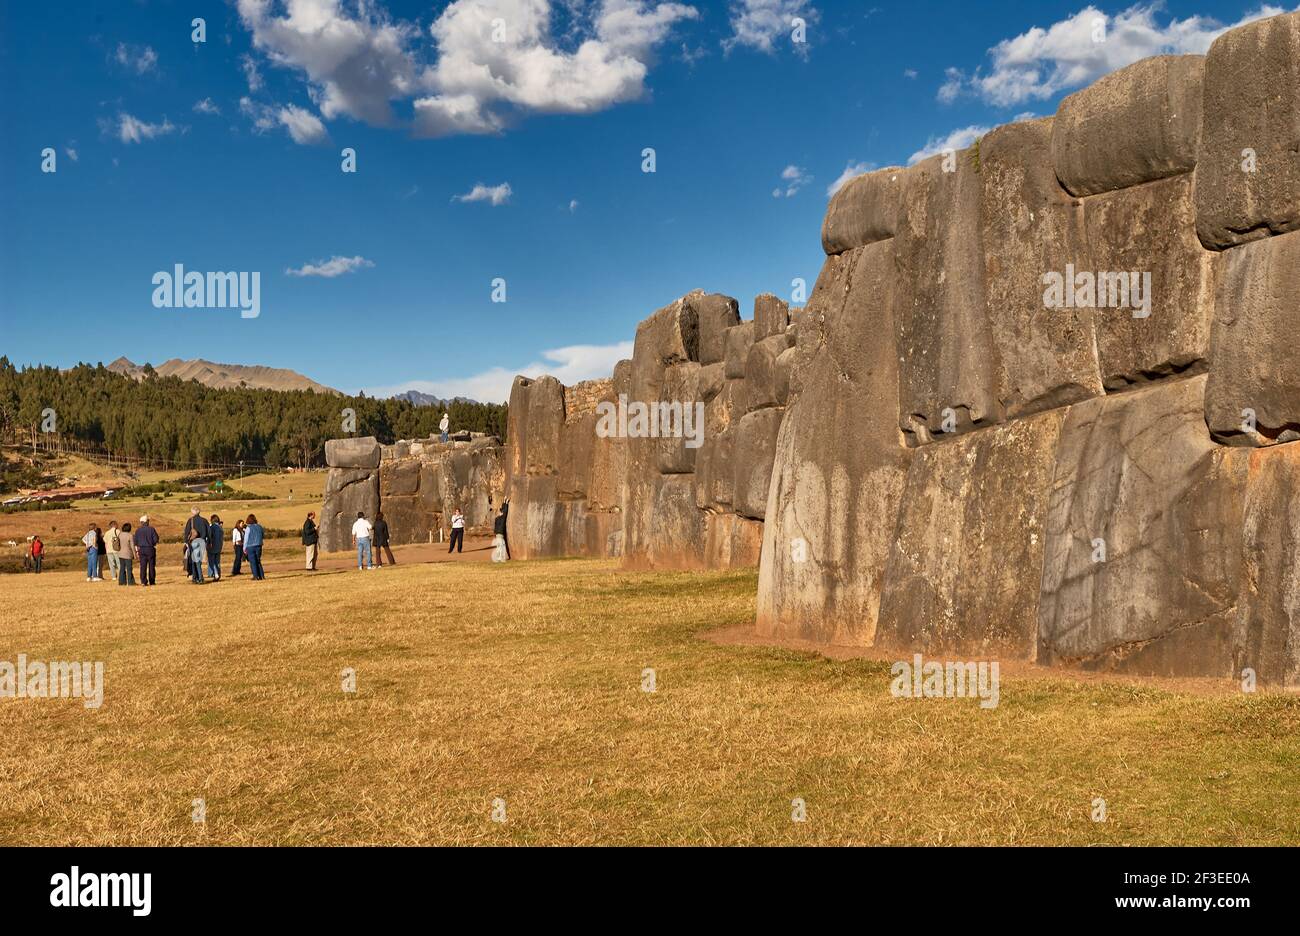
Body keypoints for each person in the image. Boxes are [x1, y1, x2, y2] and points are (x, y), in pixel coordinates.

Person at [133, 515, 159, 586]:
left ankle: (143, 581)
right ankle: (152, 581)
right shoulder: (151, 529)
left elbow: (135, 541)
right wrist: (152, 543)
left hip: (141, 549)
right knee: (151, 566)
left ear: (141, 522)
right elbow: (156, 539)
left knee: (143, 566)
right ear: (147, 522)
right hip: (150, 548)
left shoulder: (138, 530)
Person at [185, 507, 209, 584]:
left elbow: (186, 532)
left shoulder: (190, 521)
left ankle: (198, 578)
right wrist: (209, 542)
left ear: (193, 512)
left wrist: (186, 542)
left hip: (193, 542)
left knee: (194, 561)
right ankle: (197, 578)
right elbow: (208, 532)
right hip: (202, 541)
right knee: (198, 560)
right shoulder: (204, 520)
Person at [242, 513, 266, 580]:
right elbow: (262, 535)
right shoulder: (260, 526)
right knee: (258, 561)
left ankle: (255, 576)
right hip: (259, 545)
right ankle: (261, 576)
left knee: (253, 562)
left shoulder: (248, 528)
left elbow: (246, 538)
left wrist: (244, 548)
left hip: (250, 546)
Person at [117, 521, 137, 585]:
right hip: (128, 554)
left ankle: (121, 582)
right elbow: (132, 546)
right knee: (129, 569)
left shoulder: (120, 534)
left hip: (120, 554)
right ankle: (130, 582)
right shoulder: (130, 535)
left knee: (122, 568)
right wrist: (135, 554)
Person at [206, 514, 224, 581]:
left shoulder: (211, 527)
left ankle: (215, 574)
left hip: (212, 546)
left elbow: (209, 537)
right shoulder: (220, 528)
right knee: (217, 562)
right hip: (219, 546)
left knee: (212, 562)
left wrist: (207, 544)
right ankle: (218, 574)